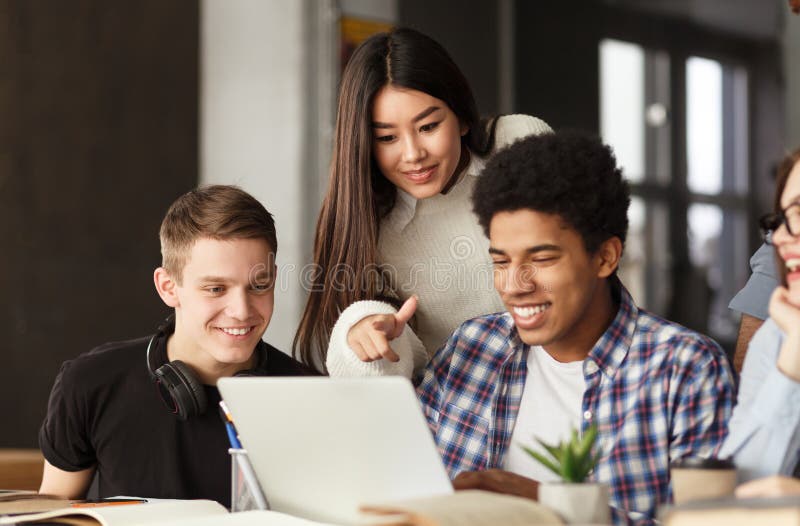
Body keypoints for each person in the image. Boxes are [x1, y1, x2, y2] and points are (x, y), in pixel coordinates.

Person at [416, 132, 736, 523]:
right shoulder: (471, 347)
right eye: (501, 262)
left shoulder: (686, 369)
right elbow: (400, 486)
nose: (514, 285)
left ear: (605, 258)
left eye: (542, 259)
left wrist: (548, 505)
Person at [293, 27, 551, 376]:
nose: (413, 154)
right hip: (470, 401)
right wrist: (364, 333)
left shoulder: (519, 142)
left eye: (428, 127)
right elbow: (400, 363)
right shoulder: (369, 226)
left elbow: (596, 254)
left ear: (461, 117)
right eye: (387, 137)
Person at [38, 185, 315, 505]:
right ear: (168, 287)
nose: (241, 311)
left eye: (259, 286)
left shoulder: (312, 396)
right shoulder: (89, 384)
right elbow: (52, 514)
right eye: (216, 289)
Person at [720, 147, 800, 496]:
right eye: (782, 218)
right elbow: (739, 492)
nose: (778, 238)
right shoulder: (777, 337)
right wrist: (793, 359)